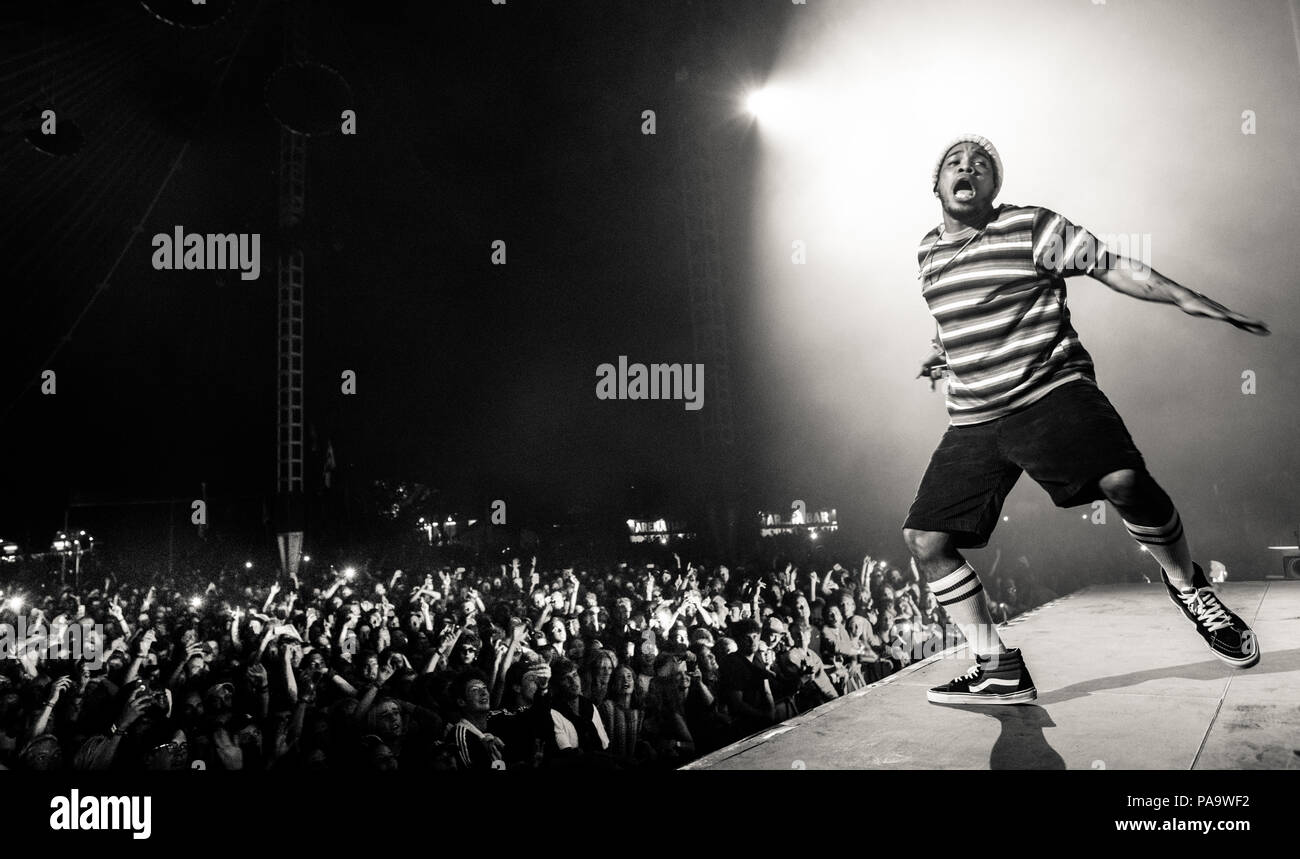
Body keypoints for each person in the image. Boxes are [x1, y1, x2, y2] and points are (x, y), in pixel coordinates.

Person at [905, 134, 1264, 705]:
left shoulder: (1030, 227)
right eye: (955, 162)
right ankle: (996, 666)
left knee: (1122, 480)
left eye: (981, 165)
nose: (967, 168)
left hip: (1050, 391)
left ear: (996, 187)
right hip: (974, 417)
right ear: (937, 183)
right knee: (927, 540)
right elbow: (960, 312)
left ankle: (1186, 585)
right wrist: (940, 352)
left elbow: (1112, 266)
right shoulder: (926, 253)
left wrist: (1182, 296)